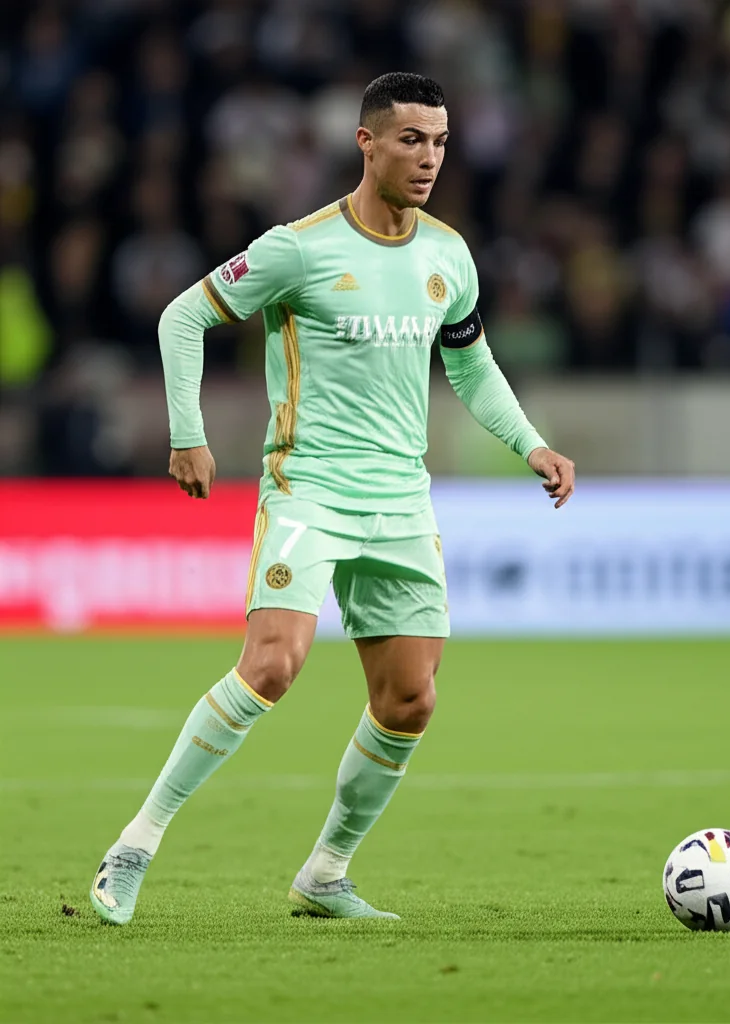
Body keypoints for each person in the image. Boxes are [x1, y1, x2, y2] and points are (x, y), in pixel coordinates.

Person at [90, 72, 575, 923]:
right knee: (273, 665)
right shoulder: (299, 247)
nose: (428, 158)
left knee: (410, 700)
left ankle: (325, 873)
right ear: (367, 143)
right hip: (307, 484)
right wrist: (185, 433)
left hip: (400, 498)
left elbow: (468, 362)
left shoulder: (448, 255)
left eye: (440, 141)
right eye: (411, 140)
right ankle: (134, 845)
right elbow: (181, 318)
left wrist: (529, 441)